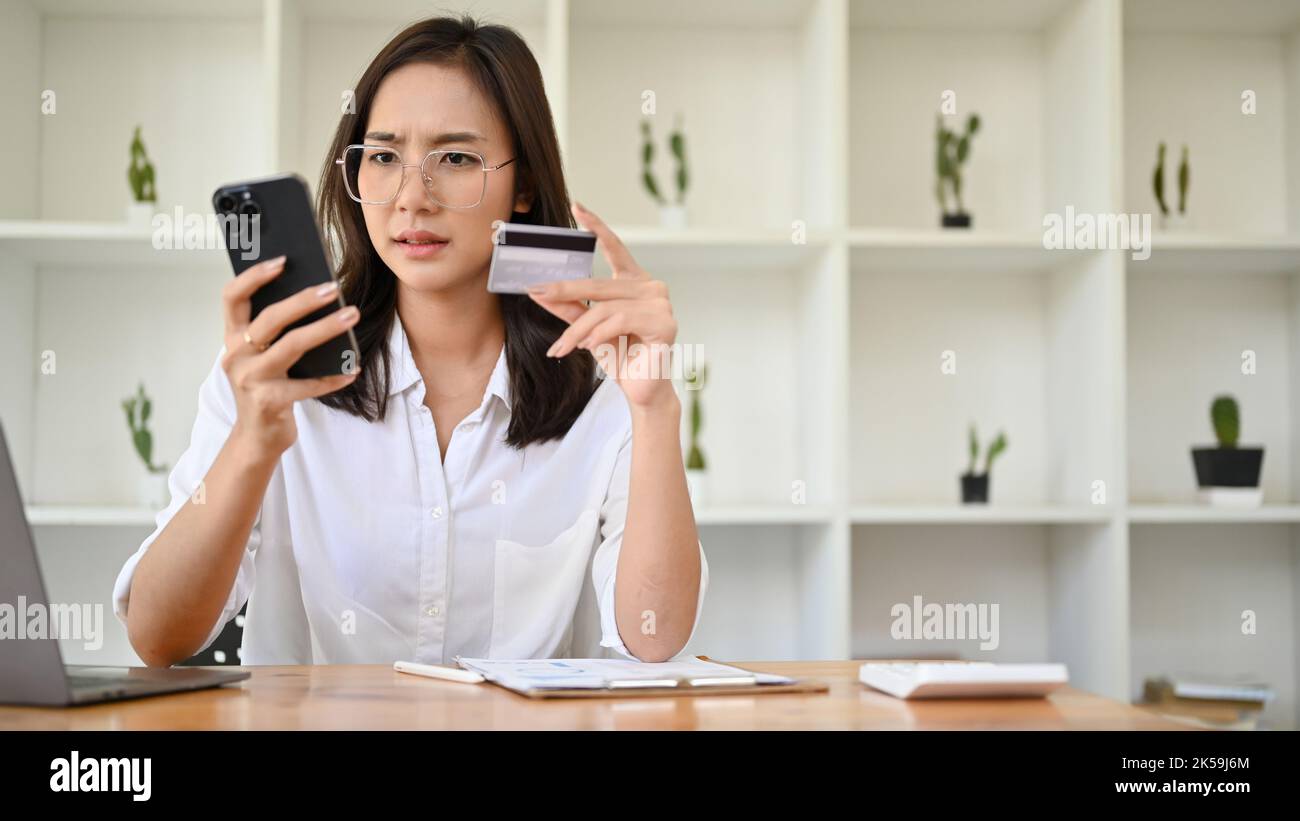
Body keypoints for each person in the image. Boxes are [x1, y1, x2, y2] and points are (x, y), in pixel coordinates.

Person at [113, 15, 707, 667]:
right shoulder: (274, 371)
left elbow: (654, 636)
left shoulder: (604, 384)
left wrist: (654, 410)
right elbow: (157, 636)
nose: (411, 198)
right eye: (385, 156)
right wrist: (253, 442)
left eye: (455, 158)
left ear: (525, 184)